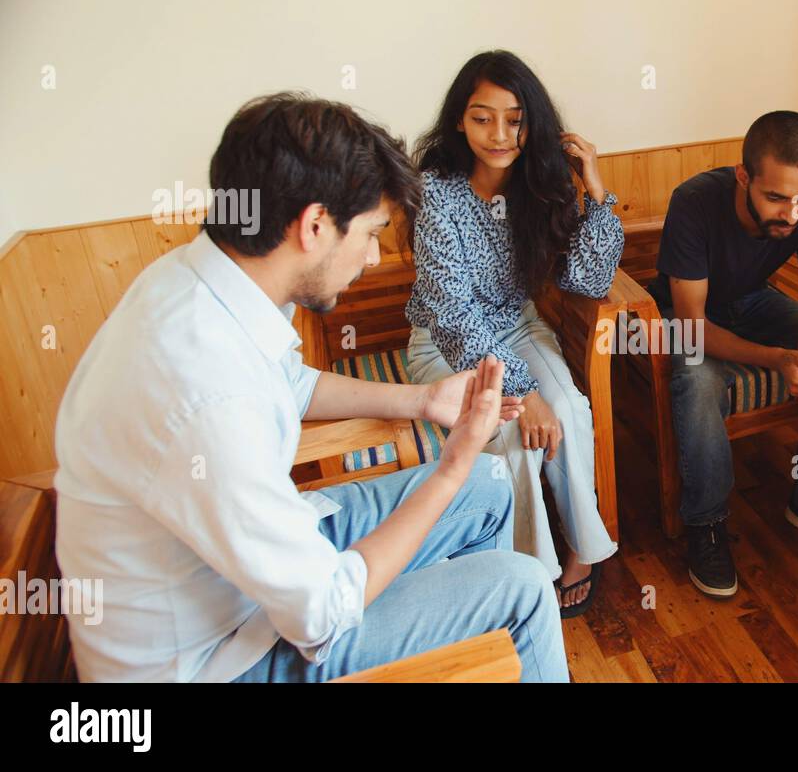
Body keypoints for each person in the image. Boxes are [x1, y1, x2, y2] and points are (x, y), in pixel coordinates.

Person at [53, 92, 568, 683]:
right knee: (525, 590)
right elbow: (321, 613)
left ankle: (460, 654)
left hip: (247, 575)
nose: (374, 258)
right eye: (371, 233)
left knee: (490, 486)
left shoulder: (203, 284)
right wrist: (449, 465)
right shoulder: (206, 393)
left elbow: (291, 383)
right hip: (221, 655)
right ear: (315, 226)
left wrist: (422, 400)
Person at [405, 50, 623, 616]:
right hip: (445, 341)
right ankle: (530, 573)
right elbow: (453, 316)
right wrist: (519, 396)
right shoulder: (434, 194)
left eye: (515, 118)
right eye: (482, 117)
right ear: (459, 119)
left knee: (570, 410)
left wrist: (594, 189)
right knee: (513, 442)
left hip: (518, 325)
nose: (500, 133)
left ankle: (584, 552)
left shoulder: (541, 185)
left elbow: (587, 278)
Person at [649, 111, 798, 599]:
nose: (792, 213)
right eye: (775, 198)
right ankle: (706, 522)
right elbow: (692, 325)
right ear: (743, 177)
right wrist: (779, 359)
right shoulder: (694, 202)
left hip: (754, 300)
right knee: (700, 380)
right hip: (686, 313)